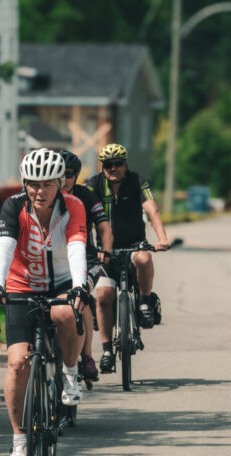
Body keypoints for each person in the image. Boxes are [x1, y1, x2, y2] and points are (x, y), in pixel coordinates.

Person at [0, 148, 89, 456]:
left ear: (60, 183)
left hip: (59, 282)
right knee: (18, 363)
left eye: (46, 184)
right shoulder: (13, 207)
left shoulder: (73, 206)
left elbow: (76, 247)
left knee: (64, 314)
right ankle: (18, 443)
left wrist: (79, 286)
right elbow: (4, 249)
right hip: (21, 284)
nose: (39, 191)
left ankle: (70, 374)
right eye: (32, 183)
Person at [85, 143, 169, 373]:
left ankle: (144, 301)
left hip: (134, 245)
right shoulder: (92, 185)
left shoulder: (137, 181)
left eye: (118, 164)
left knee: (143, 259)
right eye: (108, 165)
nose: (113, 168)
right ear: (102, 166)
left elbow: (152, 209)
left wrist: (162, 238)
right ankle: (107, 351)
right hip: (106, 250)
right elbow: (83, 216)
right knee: (103, 295)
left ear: (125, 164)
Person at [59, 150, 113, 382]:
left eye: (69, 175)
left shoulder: (86, 195)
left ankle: (88, 357)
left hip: (86, 258)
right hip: (49, 261)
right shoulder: (43, 195)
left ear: (77, 175)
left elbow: (103, 226)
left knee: (82, 300)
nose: (64, 180)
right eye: (59, 174)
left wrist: (106, 250)